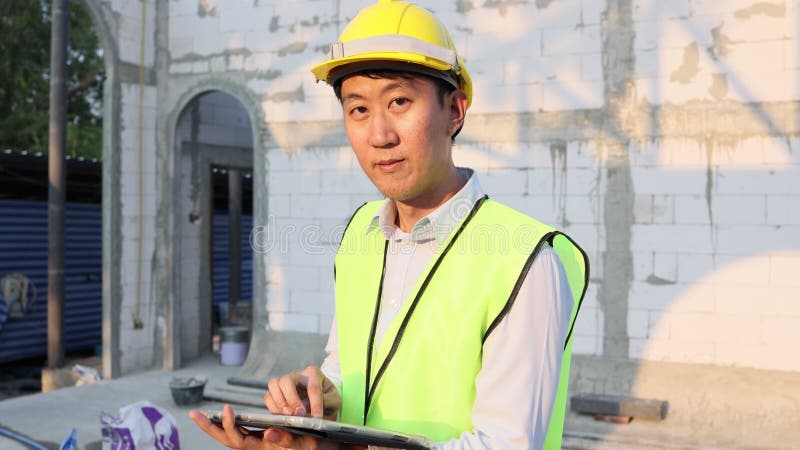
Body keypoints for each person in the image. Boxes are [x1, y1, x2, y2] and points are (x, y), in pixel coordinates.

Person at [190, 1, 588, 449]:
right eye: (358, 109)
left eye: (399, 101)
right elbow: (352, 366)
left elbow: (505, 444)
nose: (380, 134)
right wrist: (320, 394)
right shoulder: (361, 232)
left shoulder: (524, 259)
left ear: (455, 110)